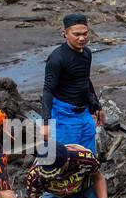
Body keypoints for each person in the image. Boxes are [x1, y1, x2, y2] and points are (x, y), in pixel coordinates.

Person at [42, 12, 103, 153]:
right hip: (64, 115)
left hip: (84, 114)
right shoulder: (57, 59)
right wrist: (45, 123)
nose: (82, 38)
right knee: (68, 158)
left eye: (85, 34)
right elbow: (47, 90)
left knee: (89, 157)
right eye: (76, 34)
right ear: (65, 34)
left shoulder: (87, 53)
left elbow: (84, 79)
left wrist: (96, 106)